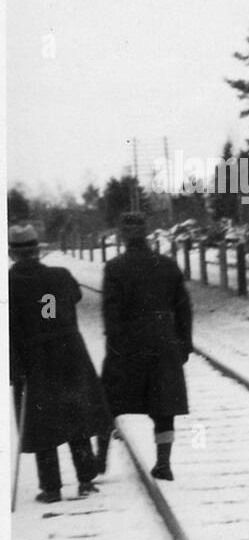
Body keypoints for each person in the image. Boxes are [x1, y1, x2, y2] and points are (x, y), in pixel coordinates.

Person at [8, 224, 111, 502]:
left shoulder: (10, 282)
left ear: (12, 253)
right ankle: (86, 479)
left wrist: (15, 369)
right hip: (69, 353)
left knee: (43, 421)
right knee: (75, 413)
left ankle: (51, 488)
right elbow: (72, 297)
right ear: (37, 250)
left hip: (35, 358)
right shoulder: (60, 275)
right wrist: (50, 304)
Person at [101, 213, 192, 480]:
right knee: (164, 406)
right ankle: (164, 464)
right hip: (164, 342)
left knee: (108, 400)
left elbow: (111, 312)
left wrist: (114, 347)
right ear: (147, 233)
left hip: (128, 344)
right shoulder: (168, 265)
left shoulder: (114, 267)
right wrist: (184, 344)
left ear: (122, 235)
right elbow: (184, 308)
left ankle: (98, 460)